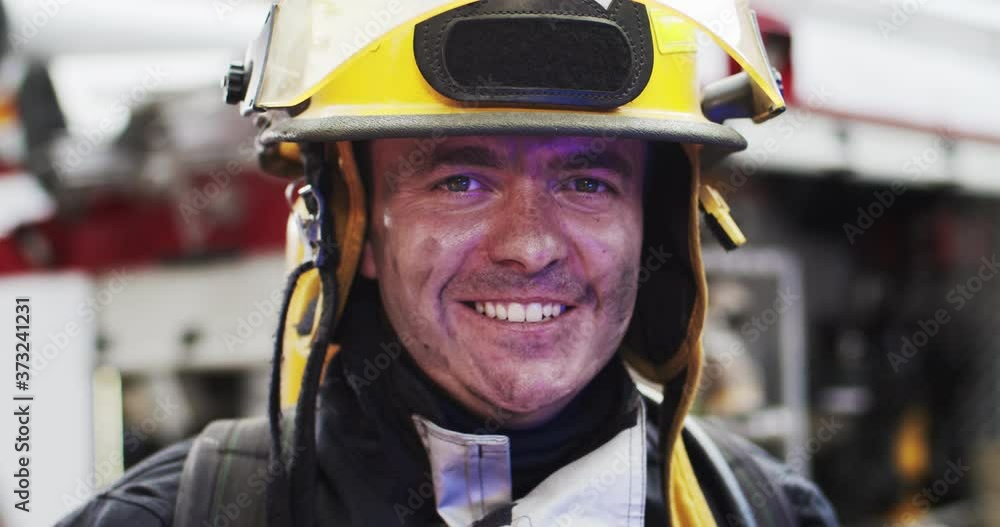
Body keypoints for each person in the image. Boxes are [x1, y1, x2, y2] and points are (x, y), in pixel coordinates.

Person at [59, 1, 838, 525]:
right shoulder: (175, 515)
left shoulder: (762, 510)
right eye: (460, 180)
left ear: (651, 222)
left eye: (586, 181)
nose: (530, 245)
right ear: (350, 228)